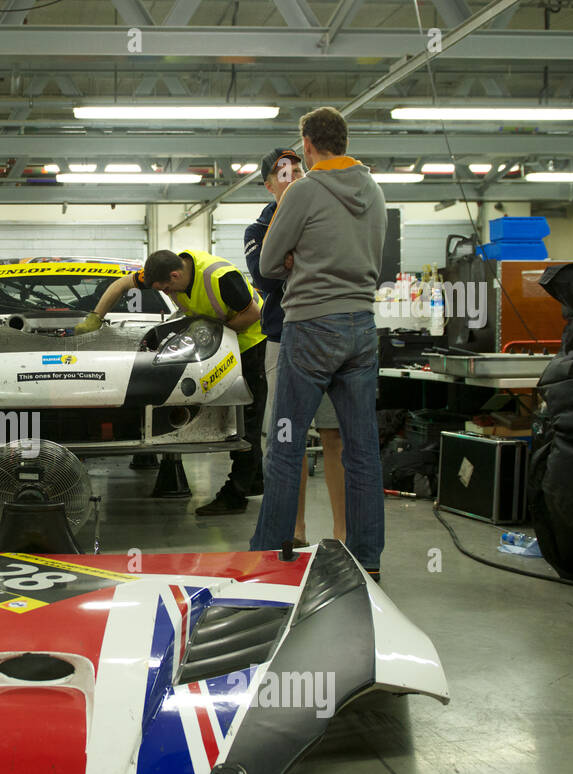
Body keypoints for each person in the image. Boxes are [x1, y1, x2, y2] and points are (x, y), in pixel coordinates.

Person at [250, 106, 386, 579]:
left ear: (308, 144)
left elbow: (268, 262)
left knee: (286, 443)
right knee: (361, 448)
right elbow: (375, 256)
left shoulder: (304, 191)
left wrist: (296, 256)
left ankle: (270, 551)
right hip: (363, 328)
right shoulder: (373, 189)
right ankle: (367, 559)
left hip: (310, 326)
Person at [84, 249, 266, 513]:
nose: (168, 294)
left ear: (175, 274)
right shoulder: (163, 273)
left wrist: (212, 334)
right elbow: (122, 284)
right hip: (217, 345)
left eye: (168, 288)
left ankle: (235, 496)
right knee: (238, 419)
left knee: (245, 420)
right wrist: (95, 317)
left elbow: (253, 314)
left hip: (248, 346)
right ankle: (254, 481)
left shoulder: (222, 277)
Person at [246, 147, 346, 546]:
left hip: (325, 336)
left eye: (298, 168)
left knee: (334, 435)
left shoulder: (324, 218)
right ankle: (295, 529)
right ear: (269, 184)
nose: (292, 175)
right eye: (282, 172)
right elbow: (264, 279)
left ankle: (341, 533)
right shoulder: (257, 230)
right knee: (289, 438)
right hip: (282, 339)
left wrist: (289, 258)